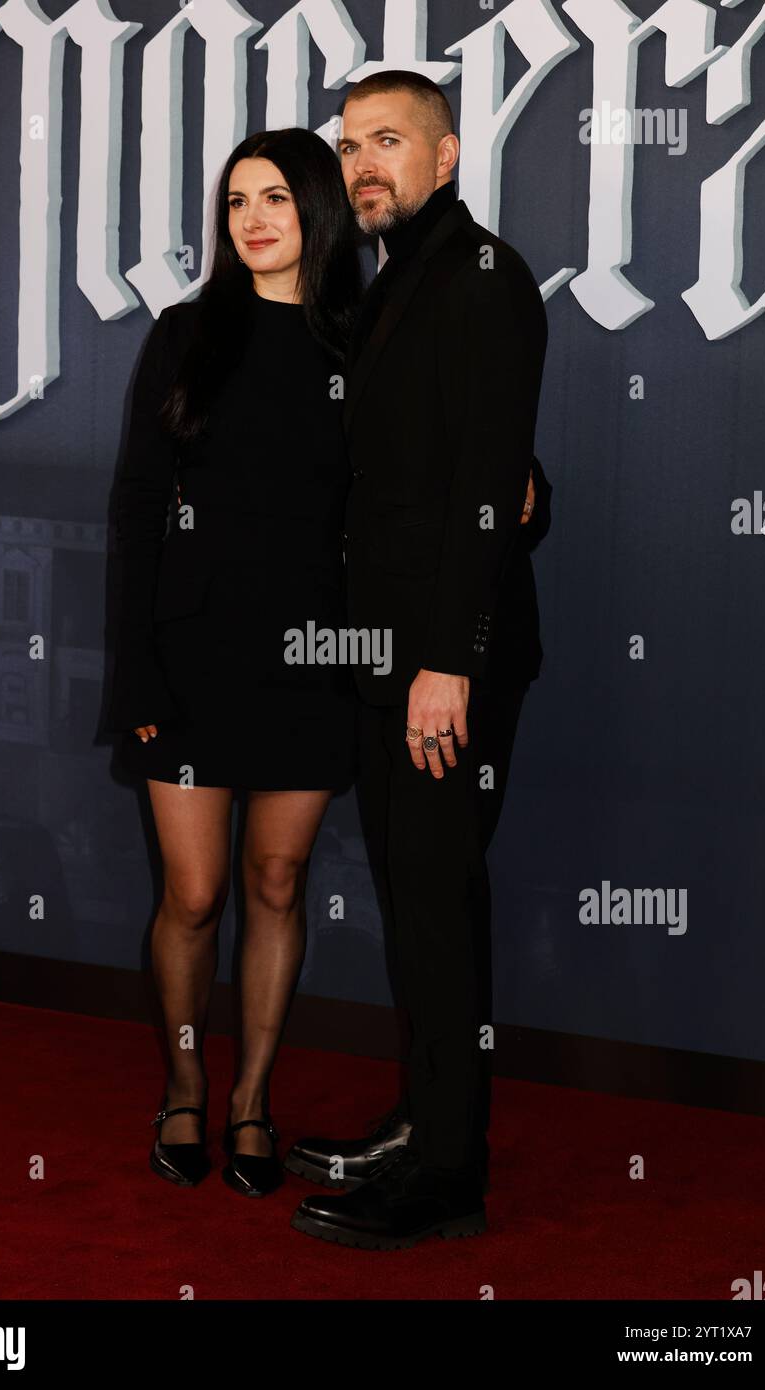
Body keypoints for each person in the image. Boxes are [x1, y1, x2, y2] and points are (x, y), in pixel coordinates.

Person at [287, 71, 551, 1249]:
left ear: (446, 157)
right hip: (384, 653)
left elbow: (491, 486)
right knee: (413, 903)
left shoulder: (484, 278)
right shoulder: (395, 282)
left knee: (436, 908)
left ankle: (449, 1172)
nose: (363, 166)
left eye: (387, 142)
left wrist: (447, 663)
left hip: (445, 662)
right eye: (350, 147)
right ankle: (424, 1119)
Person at [103, 128, 362, 1198]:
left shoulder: (363, 340)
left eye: (276, 199)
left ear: (318, 214)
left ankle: (252, 1097)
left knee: (275, 879)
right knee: (197, 892)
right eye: (235, 202)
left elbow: (437, 460)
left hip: (314, 659)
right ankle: (184, 1085)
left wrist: (519, 484)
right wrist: (138, 676)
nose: (252, 220)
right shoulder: (184, 334)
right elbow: (133, 510)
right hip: (191, 657)